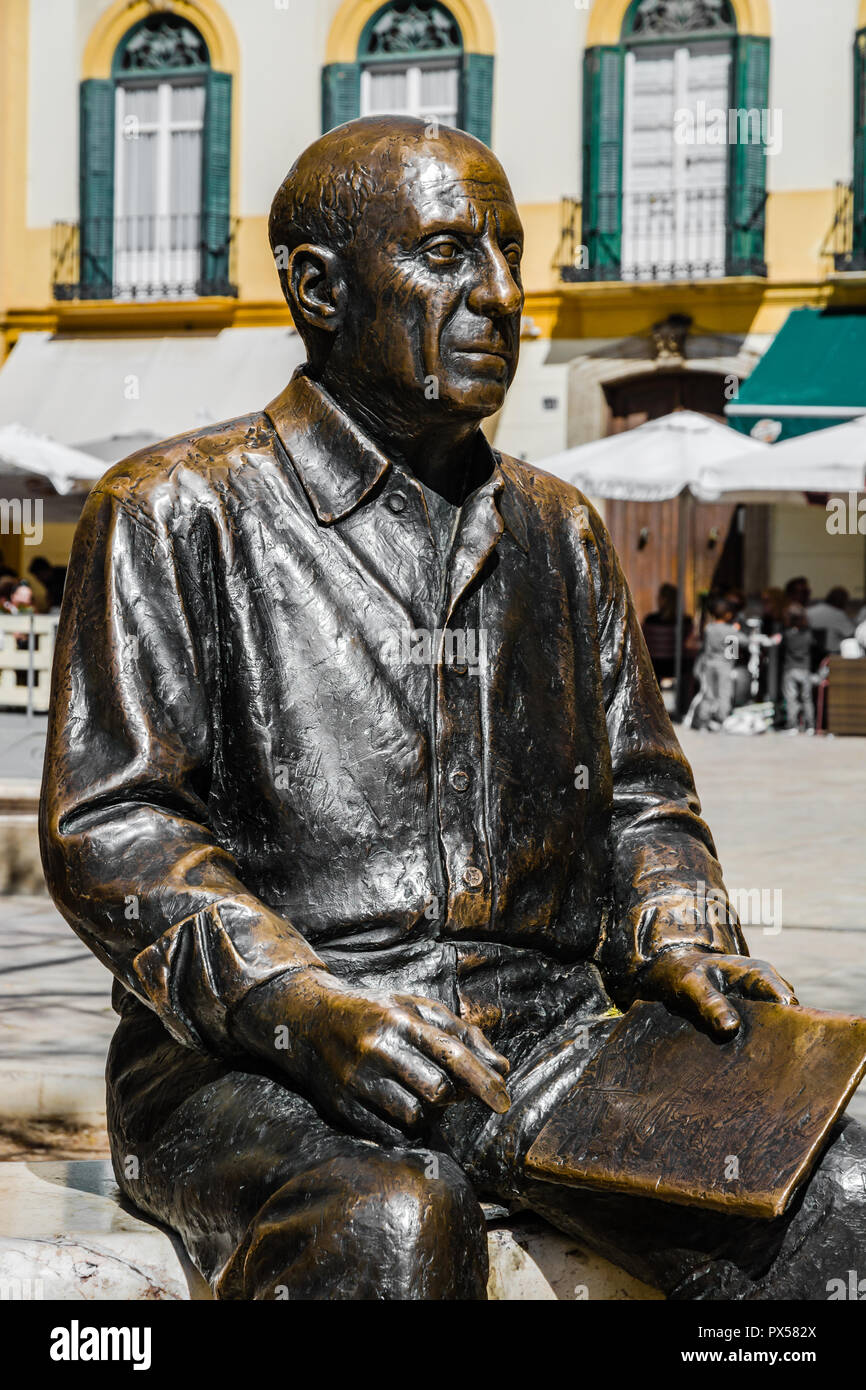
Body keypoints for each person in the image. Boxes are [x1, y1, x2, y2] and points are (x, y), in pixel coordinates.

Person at [40, 117, 866, 1302]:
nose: (502, 294)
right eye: (444, 255)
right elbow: (115, 827)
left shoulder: (560, 528)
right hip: (253, 1059)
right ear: (319, 288)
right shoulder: (176, 512)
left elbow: (640, 800)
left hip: (549, 1036)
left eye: (510, 252)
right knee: (391, 1220)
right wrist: (302, 1002)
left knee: (837, 1190)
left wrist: (680, 933)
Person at [694, 596, 740, 730]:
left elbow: (706, 648)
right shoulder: (730, 630)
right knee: (724, 693)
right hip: (724, 665)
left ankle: (703, 720)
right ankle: (722, 719)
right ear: (728, 614)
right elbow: (736, 648)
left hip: (709, 663)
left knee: (708, 692)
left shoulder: (709, 628)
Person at [781, 604, 816, 734]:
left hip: (790, 668)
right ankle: (810, 726)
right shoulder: (808, 635)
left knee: (791, 699)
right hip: (805, 669)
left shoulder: (787, 634)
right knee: (807, 698)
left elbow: (781, 647)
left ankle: (792, 725)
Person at [807, 586, 855, 656]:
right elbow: (852, 634)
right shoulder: (838, 614)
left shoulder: (810, 611)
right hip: (833, 654)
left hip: (811, 654)